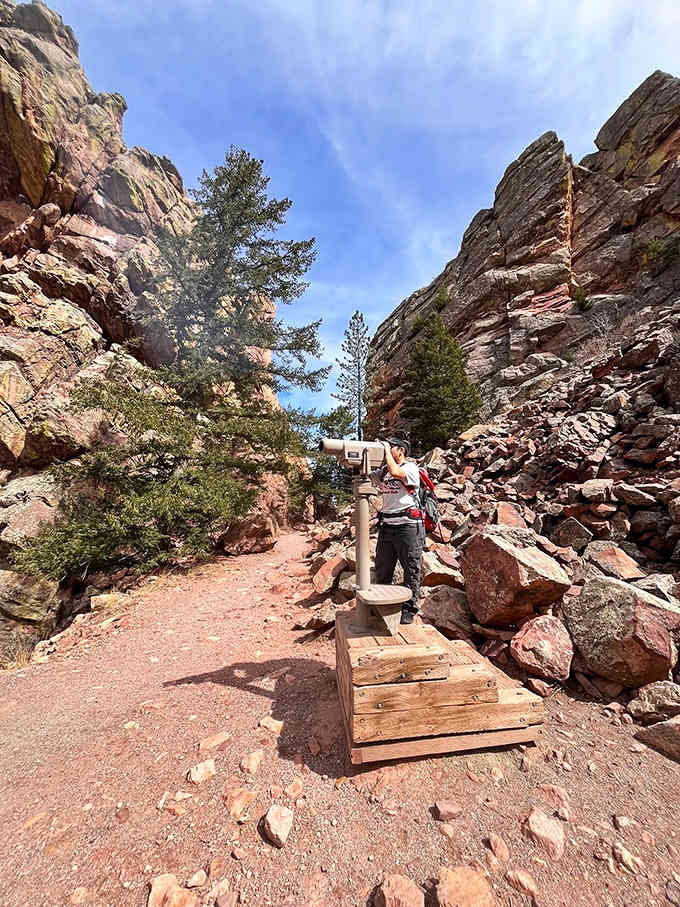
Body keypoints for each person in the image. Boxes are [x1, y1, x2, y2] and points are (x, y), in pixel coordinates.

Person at [372, 437, 425, 624]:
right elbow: (368, 476)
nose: (386, 448)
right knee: (382, 568)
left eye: (390, 446)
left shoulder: (410, 468)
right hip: (387, 526)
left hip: (408, 526)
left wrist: (385, 450)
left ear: (400, 450)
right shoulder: (384, 471)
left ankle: (409, 609)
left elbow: (396, 471)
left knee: (410, 569)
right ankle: (382, 606)